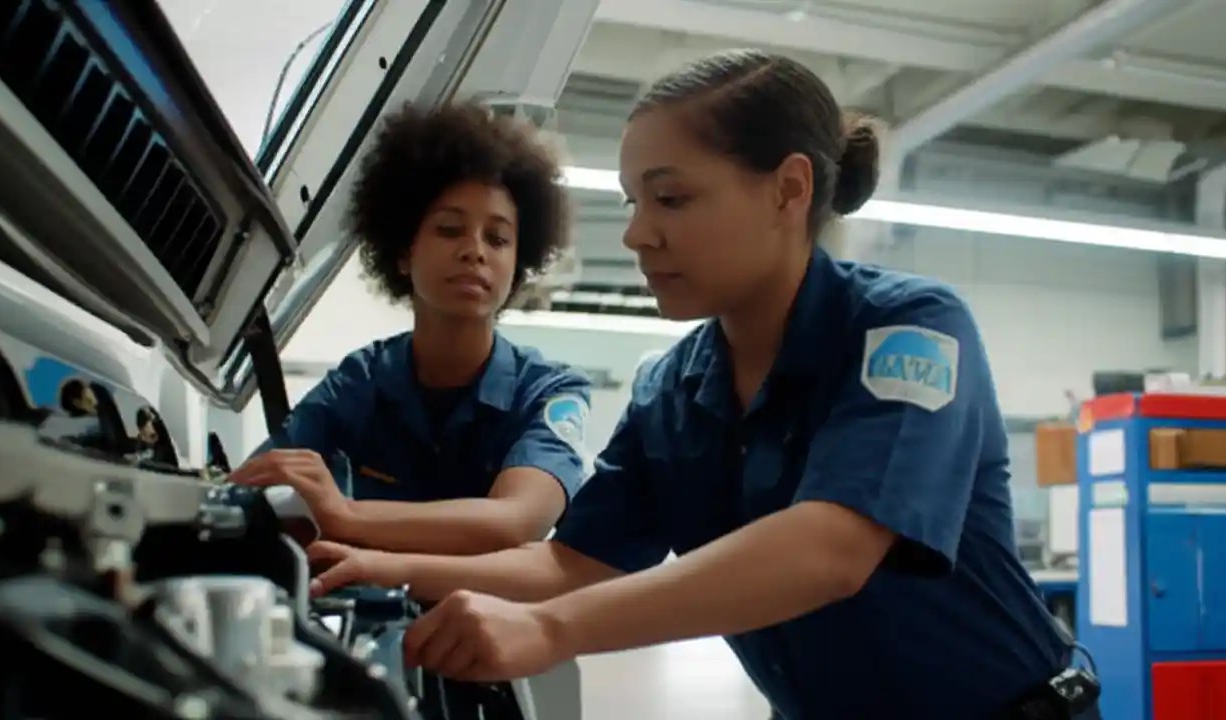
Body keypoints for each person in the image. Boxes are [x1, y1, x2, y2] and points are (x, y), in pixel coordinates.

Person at [305, 51, 1096, 719]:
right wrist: (379, 565)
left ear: (788, 190)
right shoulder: (672, 391)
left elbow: (830, 549)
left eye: (671, 197)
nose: (636, 232)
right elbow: (571, 564)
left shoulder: (907, 331)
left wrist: (553, 632)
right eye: (633, 201)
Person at [230, 102, 592, 557]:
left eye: (497, 239)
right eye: (449, 229)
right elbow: (260, 481)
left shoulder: (550, 393)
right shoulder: (361, 380)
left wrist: (344, 515)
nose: (474, 251)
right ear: (403, 252)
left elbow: (513, 523)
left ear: (517, 266)